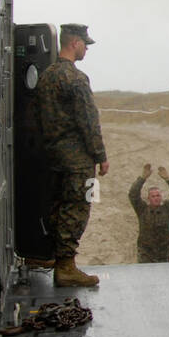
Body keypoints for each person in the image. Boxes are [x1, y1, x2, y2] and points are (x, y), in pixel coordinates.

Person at [35, 23, 108, 287]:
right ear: (74, 43)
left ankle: (53, 256)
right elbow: (89, 120)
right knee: (77, 208)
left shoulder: (46, 76)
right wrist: (100, 155)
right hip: (77, 159)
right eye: (85, 45)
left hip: (53, 155)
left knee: (57, 206)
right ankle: (66, 266)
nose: (86, 50)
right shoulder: (76, 79)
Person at [130, 164, 169, 263]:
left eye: (158, 195)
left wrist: (168, 179)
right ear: (149, 198)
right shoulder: (142, 210)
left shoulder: (167, 210)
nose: (156, 198)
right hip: (145, 254)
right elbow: (133, 194)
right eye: (153, 196)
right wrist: (142, 178)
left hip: (163, 255)